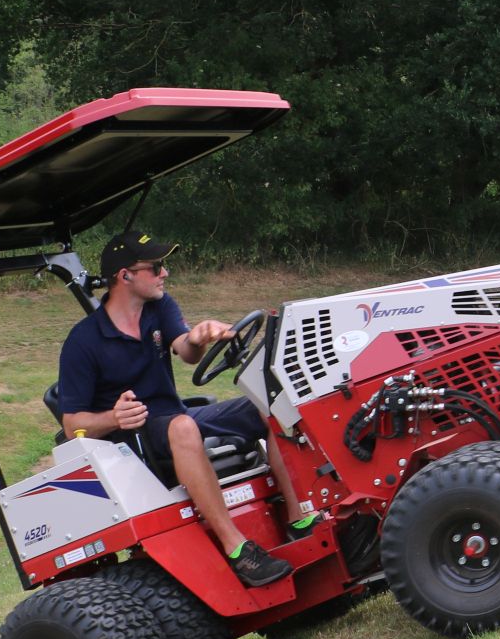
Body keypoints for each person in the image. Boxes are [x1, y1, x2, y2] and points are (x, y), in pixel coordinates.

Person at [57, 229, 318, 587]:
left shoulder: (159, 307)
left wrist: (198, 337)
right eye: (156, 267)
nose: (165, 273)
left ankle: (299, 516)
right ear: (126, 275)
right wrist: (112, 417)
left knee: (267, 402)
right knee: (182, 426)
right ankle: (238, 549)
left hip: (177, 416)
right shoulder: (83, 341)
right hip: (133, 439)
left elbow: (185, 348)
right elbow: (73, 425)